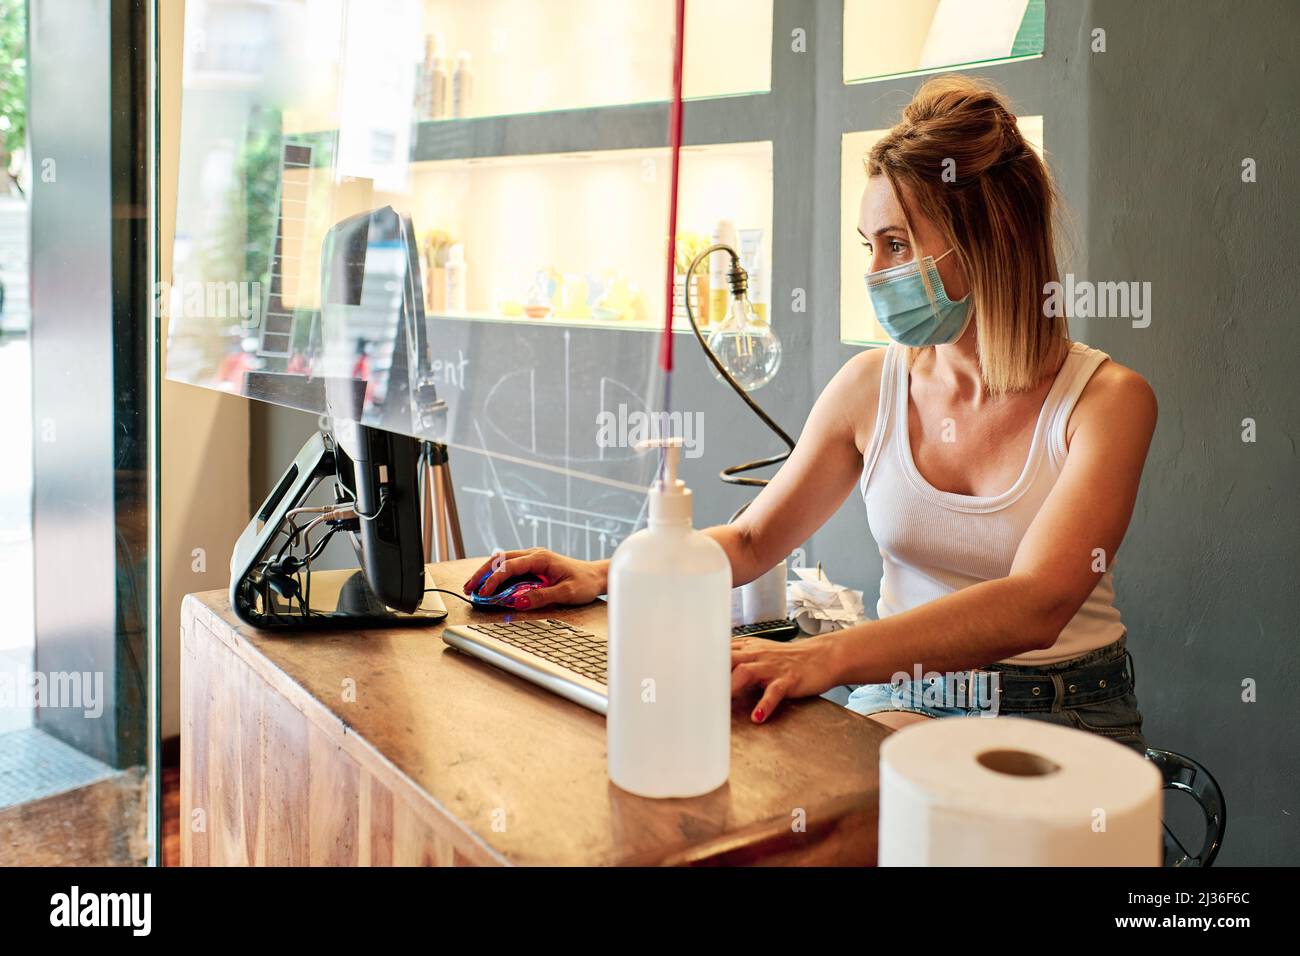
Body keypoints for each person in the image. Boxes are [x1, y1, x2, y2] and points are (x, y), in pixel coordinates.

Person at [464, 75, 1156, 753]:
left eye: (896, 244)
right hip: (904, 696)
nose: (875, 273)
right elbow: (754, 541)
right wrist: (602, 573)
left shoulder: (1105, 403)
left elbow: (1037, 602)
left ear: (986, 238)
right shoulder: (871, 386)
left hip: (1063, 709)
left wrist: (824, 660)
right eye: (869, 246)